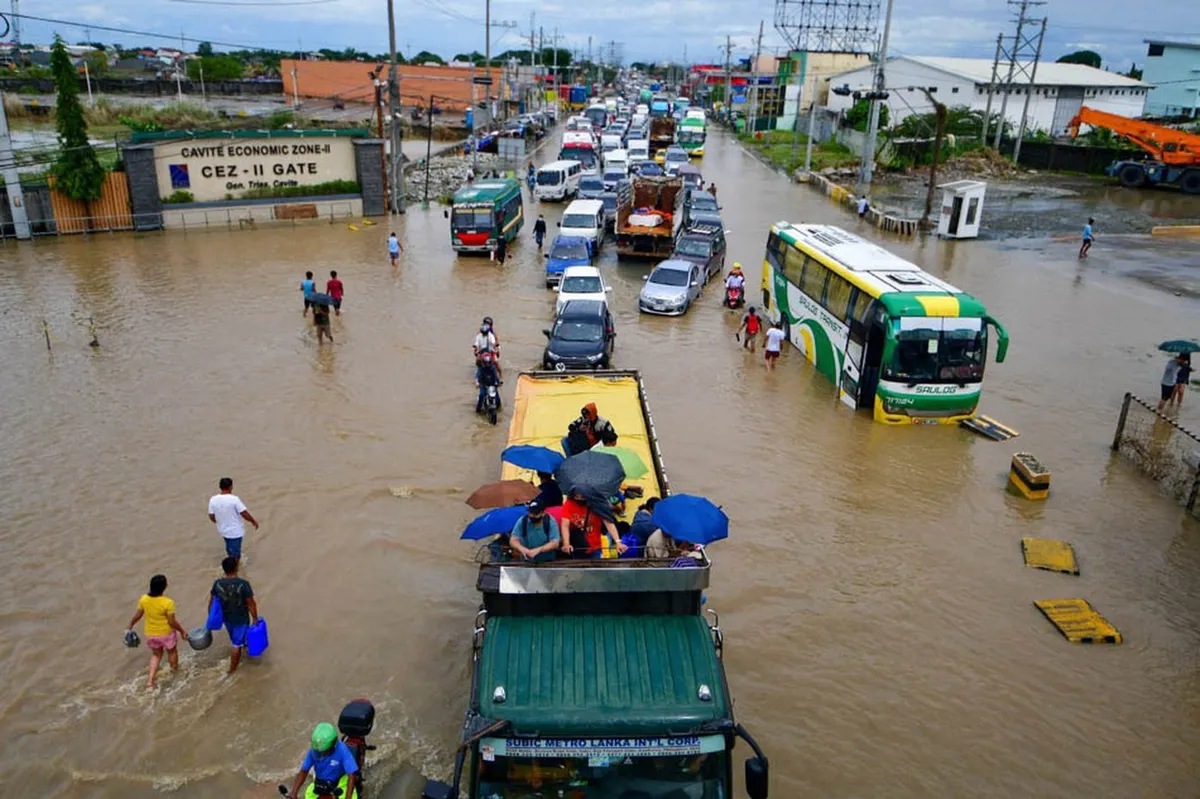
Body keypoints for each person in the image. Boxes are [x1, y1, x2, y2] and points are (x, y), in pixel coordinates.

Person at [126, 574, 188, 690]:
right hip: (166, 634)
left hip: (151, 634)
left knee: (156, 655)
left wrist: (130, 625)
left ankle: (150, 680)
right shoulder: (168, 603)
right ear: (164, 587)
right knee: (172, 652)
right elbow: (171, 622)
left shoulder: (144, 599)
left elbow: (138, 616)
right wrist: (182, 631)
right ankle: (174, 671)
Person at [210, 556, 258, 676]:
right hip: (241, 618)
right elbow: (251, 603)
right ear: (236, 567)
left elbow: (212, 601)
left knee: (236, 639)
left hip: (226, 618)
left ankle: (244, 647)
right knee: (236, 644)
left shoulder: (217, 584)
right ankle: (232, 670)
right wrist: (255, 618)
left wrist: (211, 617)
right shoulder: (243, 584)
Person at [285, 722, 360, 799]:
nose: (321, 754)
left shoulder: (342, 750)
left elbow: (352, 775)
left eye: (324, 751)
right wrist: (294, 792)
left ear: (333, 745)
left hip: (339, 783)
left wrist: (348, 797)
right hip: (321, 783)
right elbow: (304, 770)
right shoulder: (314, 750)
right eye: (319, 751)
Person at [560, 488, 627, 559]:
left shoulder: (597, 504)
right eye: (576, 497)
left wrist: (618, 542)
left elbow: (608, 523)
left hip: (594, 546)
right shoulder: (569, 503)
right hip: (577, 545)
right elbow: (565, 525)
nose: (579, 499)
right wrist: (566, 544)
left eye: (582, 497)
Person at [208, 477, 259, 562]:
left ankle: (231, 562)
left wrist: (219, 522)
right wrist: (253, 521)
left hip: (223, 530)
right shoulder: (234, 499)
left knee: (229, 547)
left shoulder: (213, 500)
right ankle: (233, 570)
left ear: (220, 487)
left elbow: (211, 515)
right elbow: (244, 513)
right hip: (235, 531)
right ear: (231, 487)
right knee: (236, 555)